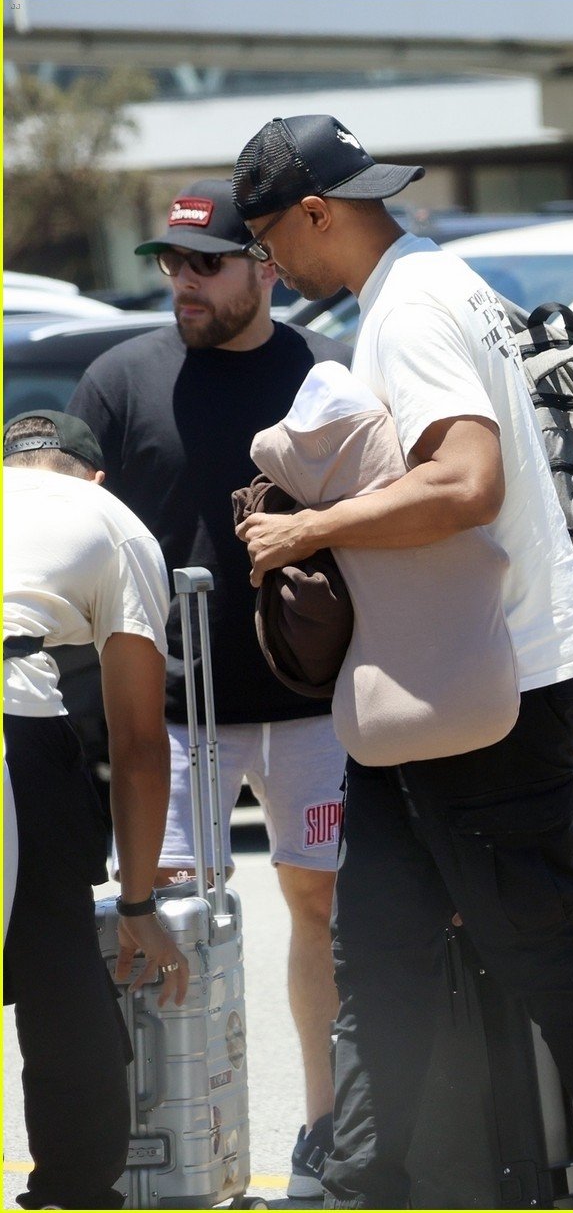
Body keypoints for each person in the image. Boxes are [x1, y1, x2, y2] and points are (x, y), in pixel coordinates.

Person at [230, 113, 573, 1210]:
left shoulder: (415, 309)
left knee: (541, 944)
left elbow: (465, 482)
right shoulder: (440, 282)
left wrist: (305, 533)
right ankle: (363, 1183)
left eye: (265, 236)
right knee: (377, 948)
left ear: (316, 213)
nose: (267, 263)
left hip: (500, 689)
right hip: (433, 688)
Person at [67, 178, 351, 1197]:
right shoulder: (120, 376)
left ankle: (325, 1134)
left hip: (314, 702)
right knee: (163, 921)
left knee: (321, 906)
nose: (181, 282)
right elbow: (63, 490)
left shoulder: (324, 372)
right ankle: (175, 1140)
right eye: (170, 262)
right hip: (172, 719)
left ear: (264, 267)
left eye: (205, 263)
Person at [3, 410, 190, 1210]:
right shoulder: (112, 523)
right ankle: (75, 1194)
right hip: (14, 725)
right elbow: (140, 743)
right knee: (58, 978)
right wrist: (140, 900)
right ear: (95, 474)